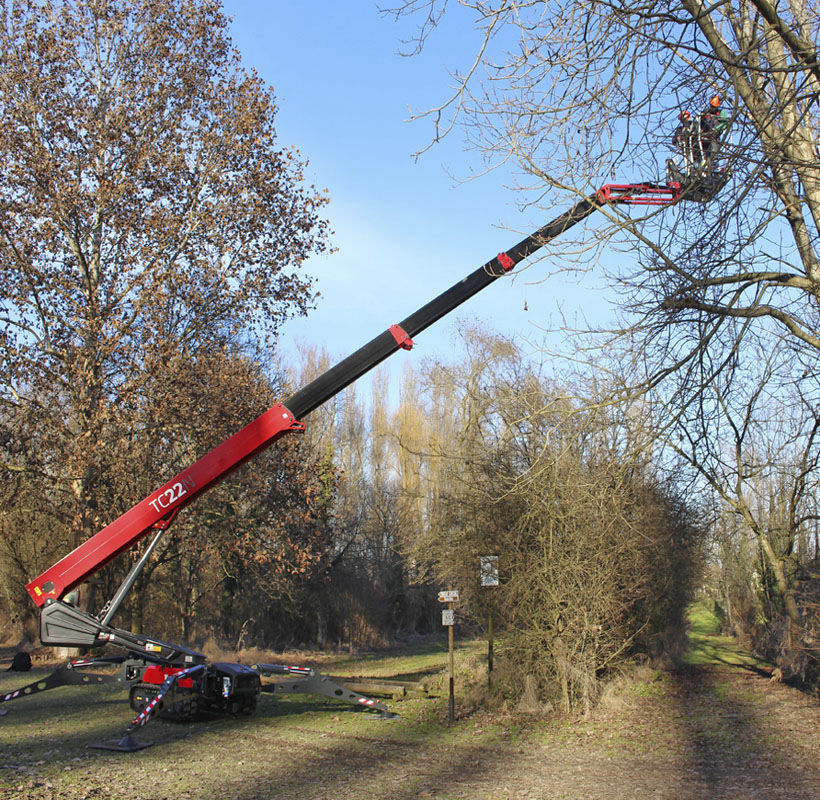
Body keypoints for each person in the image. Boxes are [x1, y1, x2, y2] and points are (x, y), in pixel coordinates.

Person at [700, 94, 728, 167]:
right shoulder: (705, 112)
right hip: (705, 136)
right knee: (702, 151)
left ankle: (713, 164)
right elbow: (700, 121)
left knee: (714, 150)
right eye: (712, 106)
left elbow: (725, 123)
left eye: (714, 107)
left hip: (715, 136)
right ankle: (703, 163)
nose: (712, 108)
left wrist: (716, 129)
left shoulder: (721, 113)